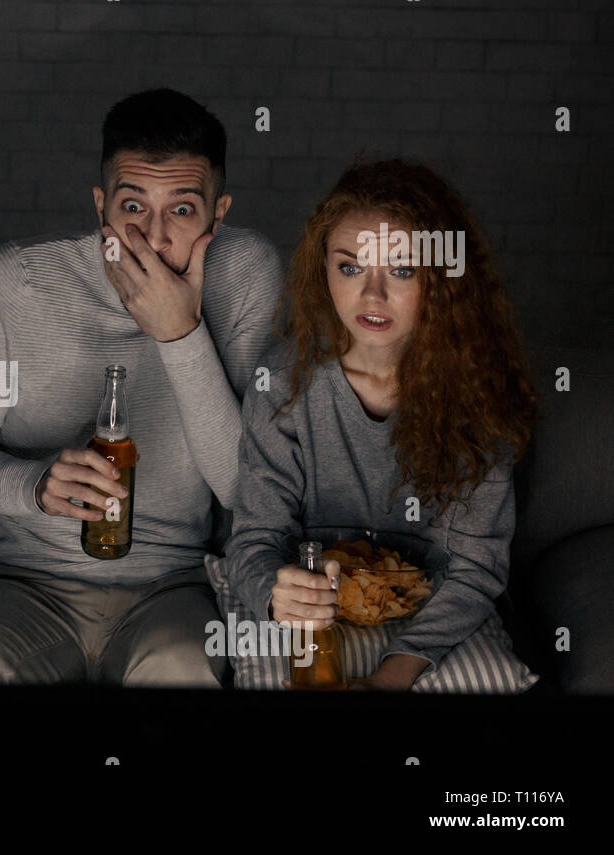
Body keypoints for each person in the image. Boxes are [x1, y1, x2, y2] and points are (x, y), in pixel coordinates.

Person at [0, 89, 283, 686]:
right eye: (133, 207)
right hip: (24, 583)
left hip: (172, 586)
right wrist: (35, 484)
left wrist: (179, 333)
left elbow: (244, 485)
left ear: (219, 212)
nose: (153, 240)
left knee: (183, 671)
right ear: (100, 205)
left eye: (182, 211)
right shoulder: (14, 281)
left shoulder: (245, 272)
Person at [222, 158, 538, 691]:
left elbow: (474, 568)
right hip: (313, 616)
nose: (372, 296)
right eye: (350, 267)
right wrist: (276, 592)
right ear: (323, 270)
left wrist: (394, 673)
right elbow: (255, 537)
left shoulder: (481, 396)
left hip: (434, 620)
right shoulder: (280, 384)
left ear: (443, 280)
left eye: (403, 270)